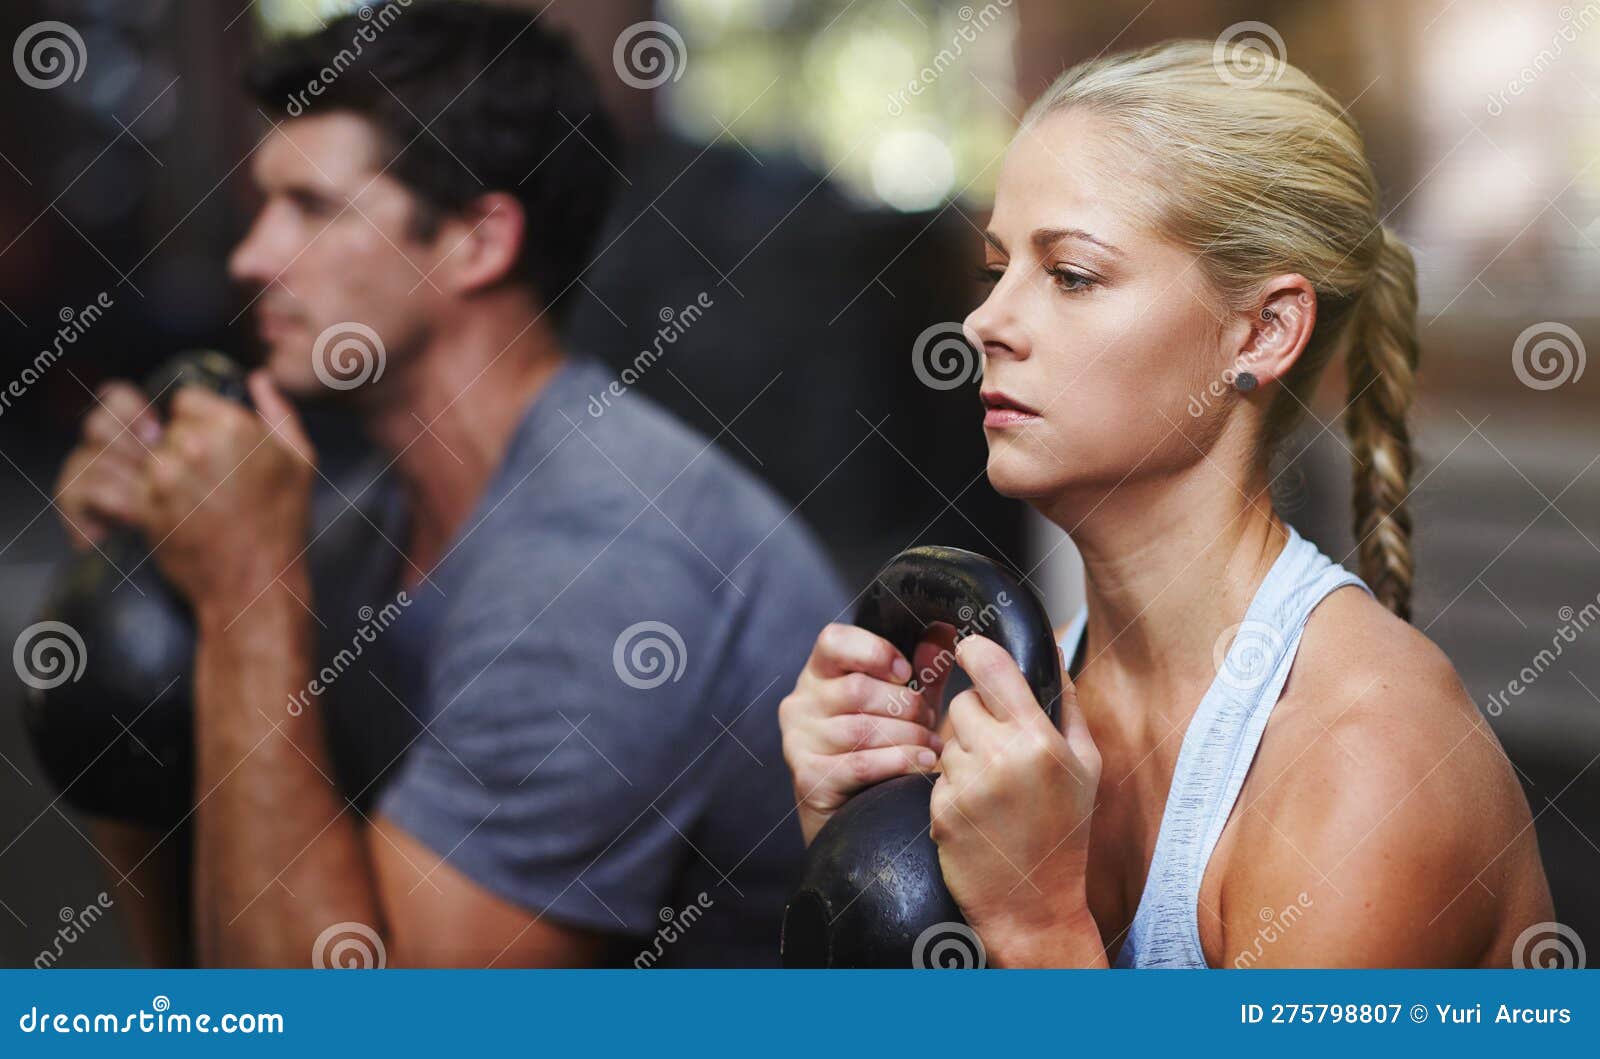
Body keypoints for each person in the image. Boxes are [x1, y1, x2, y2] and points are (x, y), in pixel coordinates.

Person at [53, 2, 843, 968]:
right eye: (265, 207)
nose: (252, 257)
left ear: (479, 240)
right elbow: (209, 977)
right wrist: (140, 617)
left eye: (311, 207)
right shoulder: (358, 532)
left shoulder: (602, 567)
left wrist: (250, 593)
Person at [778, 39, 1554, 968]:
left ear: (1262, 332)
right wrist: (864, 844)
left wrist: (1037, 922)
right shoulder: (1020, 718)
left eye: (1070, 274)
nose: (985, 322)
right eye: (997, 270)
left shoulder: (1367, 765)